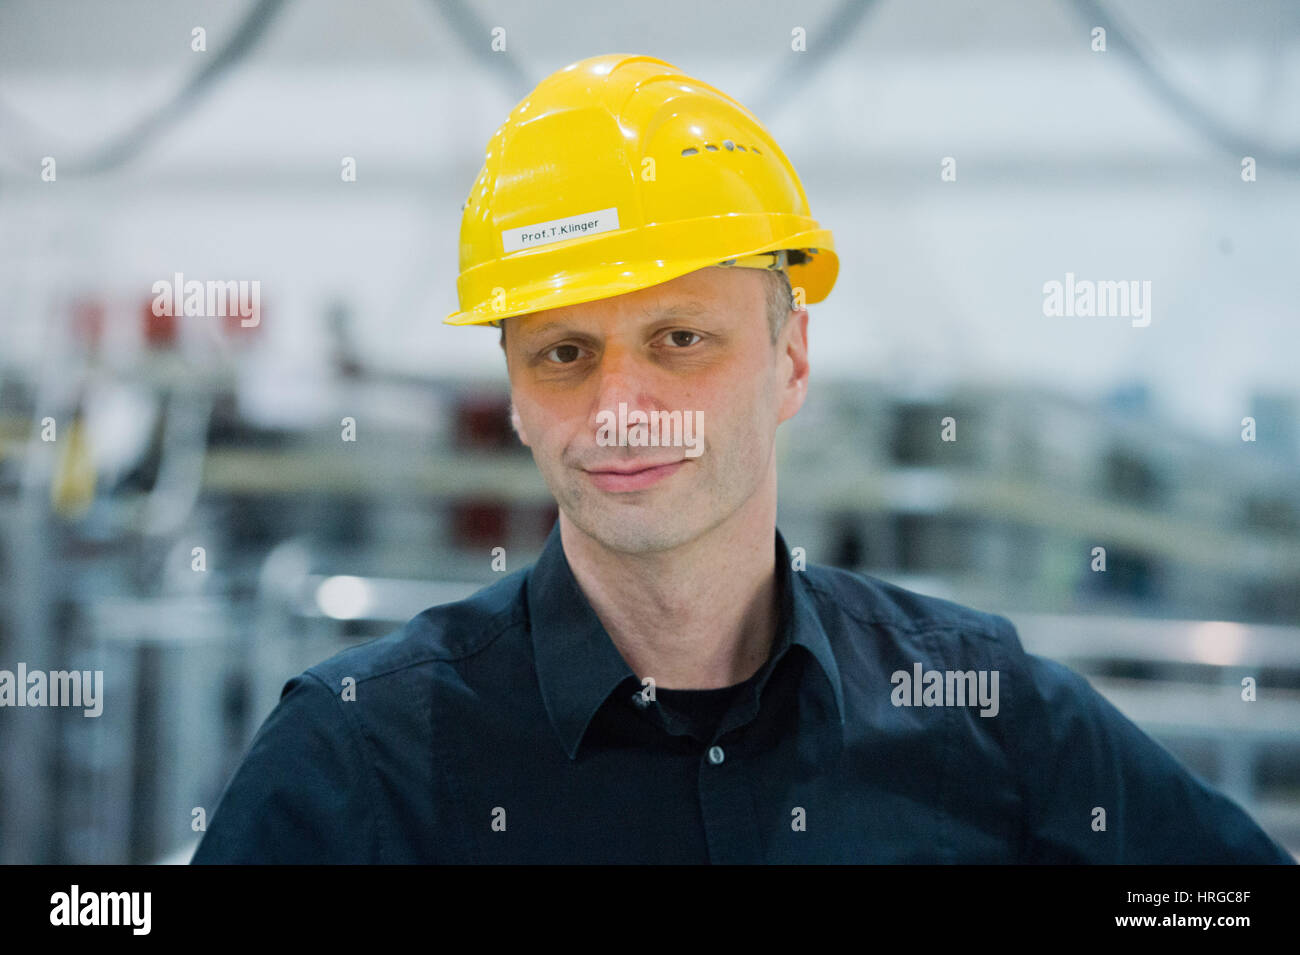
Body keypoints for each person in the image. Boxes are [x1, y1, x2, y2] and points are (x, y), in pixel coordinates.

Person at [192, 54, 1293, 864]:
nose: (621, 406)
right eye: (564, 352)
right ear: (518, 402)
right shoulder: (357, 760)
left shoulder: (976, 709)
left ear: (791, 358)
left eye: (682, 339)